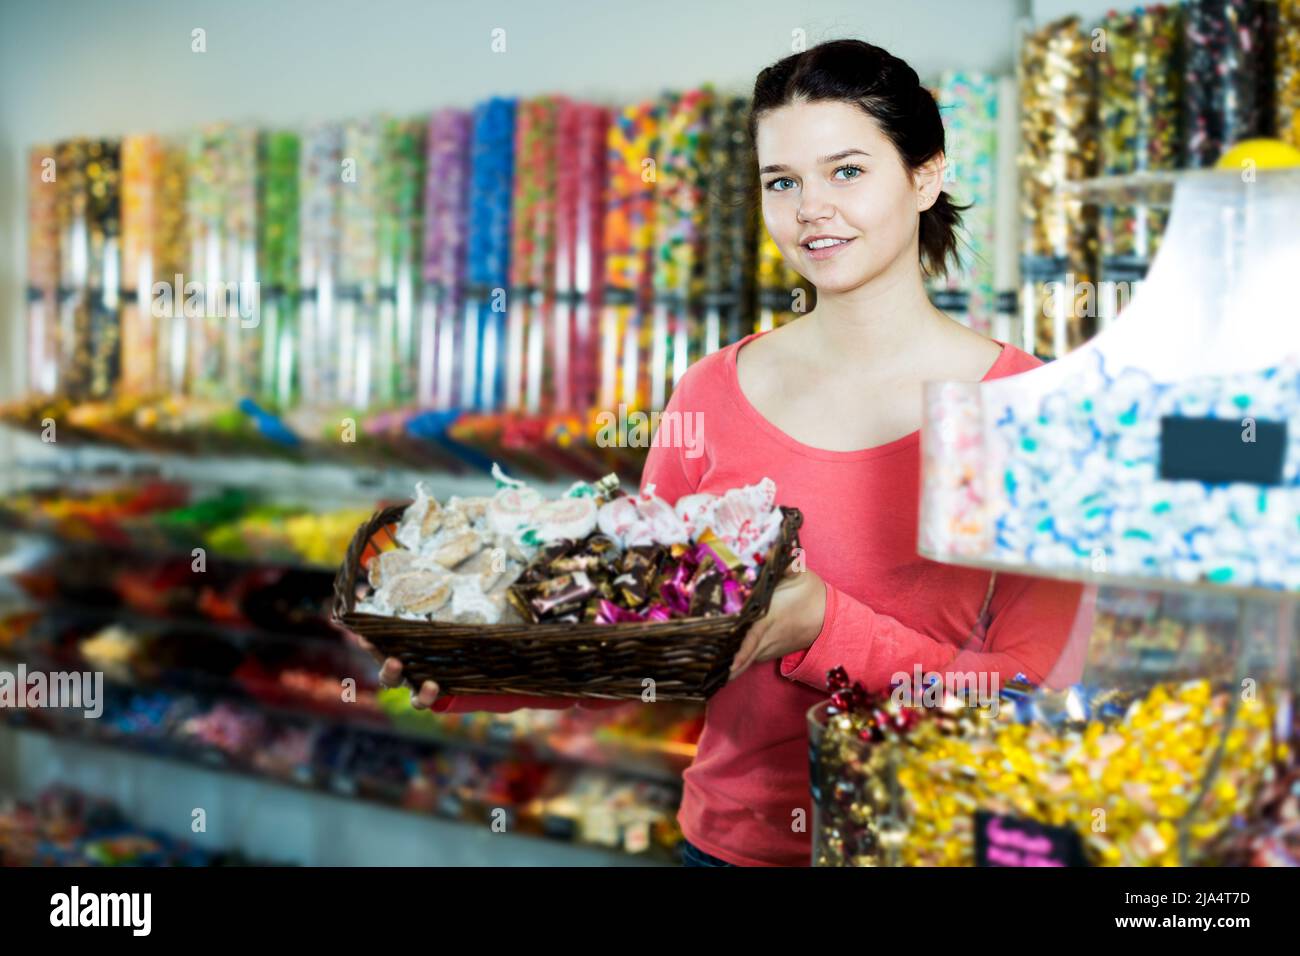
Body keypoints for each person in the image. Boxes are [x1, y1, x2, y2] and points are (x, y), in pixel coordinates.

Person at [352, 37, 1089, 867]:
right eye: (783, 181)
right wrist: (486, 671)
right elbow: (643, 633)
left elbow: (1036, 695)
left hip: (925, 847)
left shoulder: (1026, 407)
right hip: (727, 847)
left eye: (847, 171)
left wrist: (825, 627)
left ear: (925, 176)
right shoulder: (710, 392)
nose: (812, 208)